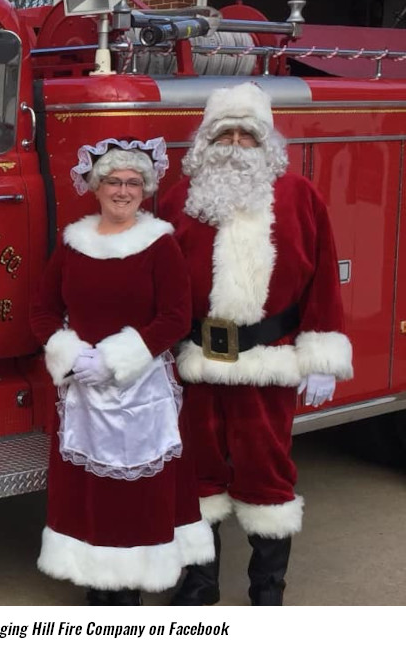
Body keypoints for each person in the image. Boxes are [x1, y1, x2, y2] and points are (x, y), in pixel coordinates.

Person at [159, 82, 353, 606]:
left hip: (269, 362)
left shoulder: (300, 196)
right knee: (197, 475)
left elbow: (323, 280)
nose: (236, 144)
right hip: (196, 363)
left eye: (247, 134)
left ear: (266, 141)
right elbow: (161, 283)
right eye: (225, 134)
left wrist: (321, 356)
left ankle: (267, 590)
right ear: (206, 140)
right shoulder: (180, 200)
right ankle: (199, 584)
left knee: (267, 473)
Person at [31, 137, 214, 606]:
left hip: (143, 388)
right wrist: (71, 355)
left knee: (139, 495)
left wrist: (116, 360)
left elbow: (176, 317)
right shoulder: (73, 244)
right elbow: (43, 311)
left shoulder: (160, 244)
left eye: (133, 182)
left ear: (145, 189)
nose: (123, 190)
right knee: (91, 491)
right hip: (84, 391)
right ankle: (99, 585)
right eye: (113, 181)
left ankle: (129, 592)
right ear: (96, 186)